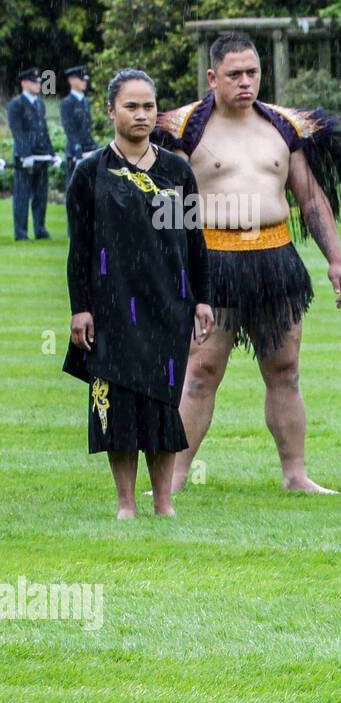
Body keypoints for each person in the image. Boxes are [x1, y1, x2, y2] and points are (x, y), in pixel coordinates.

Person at [150, 32, 341, 495]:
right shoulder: (185, 128)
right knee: (201, 371)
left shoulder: (286, 126)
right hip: (213, 260)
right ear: (212, 77)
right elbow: (170, 205)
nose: (246, 82)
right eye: (234, 74)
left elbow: (310, 198)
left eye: (253, 73)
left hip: (276, 258)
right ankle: (176, 476)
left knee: (285, 370)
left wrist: (336, 260)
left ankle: (296, 475)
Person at [62, 69, 213, 519]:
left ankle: (163, 502)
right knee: (118, 398)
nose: (142, 114)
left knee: (161, 399)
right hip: (109, 304)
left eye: (149, 106)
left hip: (167, 303)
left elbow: (194, 241)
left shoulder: (176, 171)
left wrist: (201, 299)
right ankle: (126, 504)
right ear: (110, 111)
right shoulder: (91, 172)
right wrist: (81, 309)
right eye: (131, 106)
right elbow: (80, 248)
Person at [8, 67, 58, 241]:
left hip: (41, 156)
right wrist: (25, 154)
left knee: (40, 196)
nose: (38, 85)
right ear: (24, 83)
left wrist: (51, 153)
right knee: (22, 197)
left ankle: (40, 229)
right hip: (25, 158)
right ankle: (21, 232)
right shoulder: (16, 104)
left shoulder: (39, 103)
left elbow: (43, 130)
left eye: (39, 82)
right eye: (35, 81)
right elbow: (18, 131)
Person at [61, 65, 99, 206]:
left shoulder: (85, 102)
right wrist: (77, 148)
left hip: (88, 150)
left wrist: (93, 146)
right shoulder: (67, 103)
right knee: (73, 194)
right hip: (75, 152)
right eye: (81, 79)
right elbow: (70, 130)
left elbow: (86, 129)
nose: (85, 82)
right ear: (72, 81)